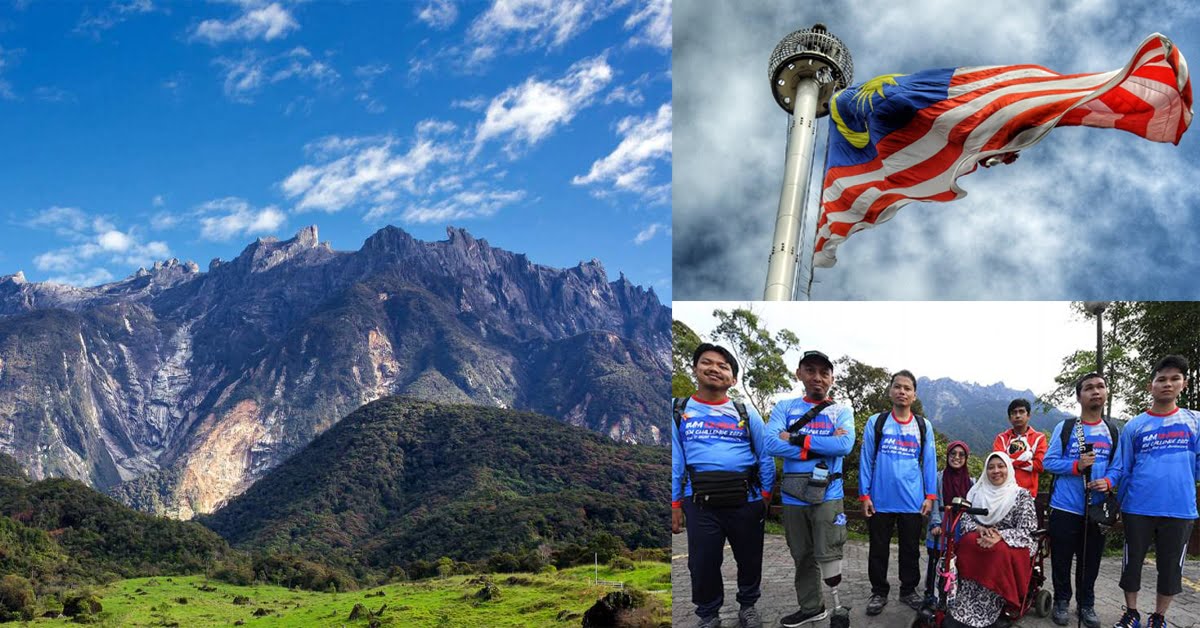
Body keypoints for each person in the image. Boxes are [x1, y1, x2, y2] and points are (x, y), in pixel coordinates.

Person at [672, 343, 775, 628]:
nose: (714, 369)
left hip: (746, 499)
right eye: (707, 362)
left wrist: (765, 496)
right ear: (695, 368)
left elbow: (765, 456)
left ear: (733, 379)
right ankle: (708, 614)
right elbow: (675, 461)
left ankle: (748, 606)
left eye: (723, 366)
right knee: (702, 562)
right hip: (700, 502)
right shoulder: (679, 410)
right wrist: (675, 503)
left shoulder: (745, 411)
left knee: (749, 558)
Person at [1093, 355, 1200, 628]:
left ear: (1184, 384)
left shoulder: (1195, 421)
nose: (1167, 384)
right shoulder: (1135, 425)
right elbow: (1123, 467)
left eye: (1174, 379)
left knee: (1171, 568)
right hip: (1137, 507)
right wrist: (1113, 492)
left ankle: (1159, 617)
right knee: (1132, 565)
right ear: (1150, 386)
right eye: (1161, 379)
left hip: (1180, 508)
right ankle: (1131, 613)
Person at [764, 350, 855, 628]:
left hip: (829, 494)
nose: (817, 377)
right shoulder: (784, 407)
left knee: (829, 552)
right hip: (793, 497)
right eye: (811, 370)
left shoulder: (841, 411)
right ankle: (812, 608)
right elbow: (770, 443)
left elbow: (844, 445)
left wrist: (795, 439)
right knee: (801, 554)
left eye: (824, 373)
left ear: (832, 379)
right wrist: (819, 448)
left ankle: (837, 605)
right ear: (799, 374)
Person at [859, 370, 937, 615]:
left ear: (914, 395)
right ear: (890, 390)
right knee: (878, 549)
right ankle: (879, 592)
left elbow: (929, 462)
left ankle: (908, 590)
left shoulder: (923, 426)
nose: (902, 391)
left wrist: (930, 496)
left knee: (910, 550)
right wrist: (864, 495)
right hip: (880, 499)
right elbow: (866, 459)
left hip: (912, 500)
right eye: (898, 386)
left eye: (907, 388)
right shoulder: (877, 422)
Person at [1042, 372, 1115, 628]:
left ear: (1106, 393)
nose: (1096, 391)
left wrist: (1108, 481)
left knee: (1090, 560)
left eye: (1100, 386)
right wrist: (1076, 466)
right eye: (1089, 387)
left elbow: (1119, 466)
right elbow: (1048, 462)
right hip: (1065, 506)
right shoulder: (1066, 428)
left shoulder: (1112, 430)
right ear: (1079, 396)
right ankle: (1062, 600)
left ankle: (1086, 604)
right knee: (1061, 559)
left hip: (1096, 509)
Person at [946, 452, 1039, 628]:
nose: (996, 471)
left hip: (1013, 540)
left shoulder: (1021, 495)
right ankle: (964, 598)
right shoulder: (976, 492)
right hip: (982, 534)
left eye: (1001, 466)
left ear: (1008, 469)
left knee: (996, 551)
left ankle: (998, 601)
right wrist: (979, 528)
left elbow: (1028, 530)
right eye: (991, 467)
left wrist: (1000, 536)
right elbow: (965, 518)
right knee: (967, 543)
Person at [924, 440, 973, 601]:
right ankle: (931, 594)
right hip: (942, 525)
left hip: (961, 527)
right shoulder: (939, 477)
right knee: (936, 561)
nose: (956, 457)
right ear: (947, 456)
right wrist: (936, 523)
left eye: (961, 455)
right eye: (953, 454)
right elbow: (935, 500)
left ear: (966, 458)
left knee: (958, 562)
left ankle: (953, 596)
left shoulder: (971, 482)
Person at [993, 398, 1048, 496]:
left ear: (1028, 415)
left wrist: (1010, 460)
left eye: (1021, 412)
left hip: (1028, 494)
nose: (1018, 415)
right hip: (1003, 493)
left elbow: (1040, 466)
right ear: (1009, 418)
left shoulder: (1039, 438)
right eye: (1014, 413)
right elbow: (999, 464)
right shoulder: (1001, 438)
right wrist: (1026, 457)